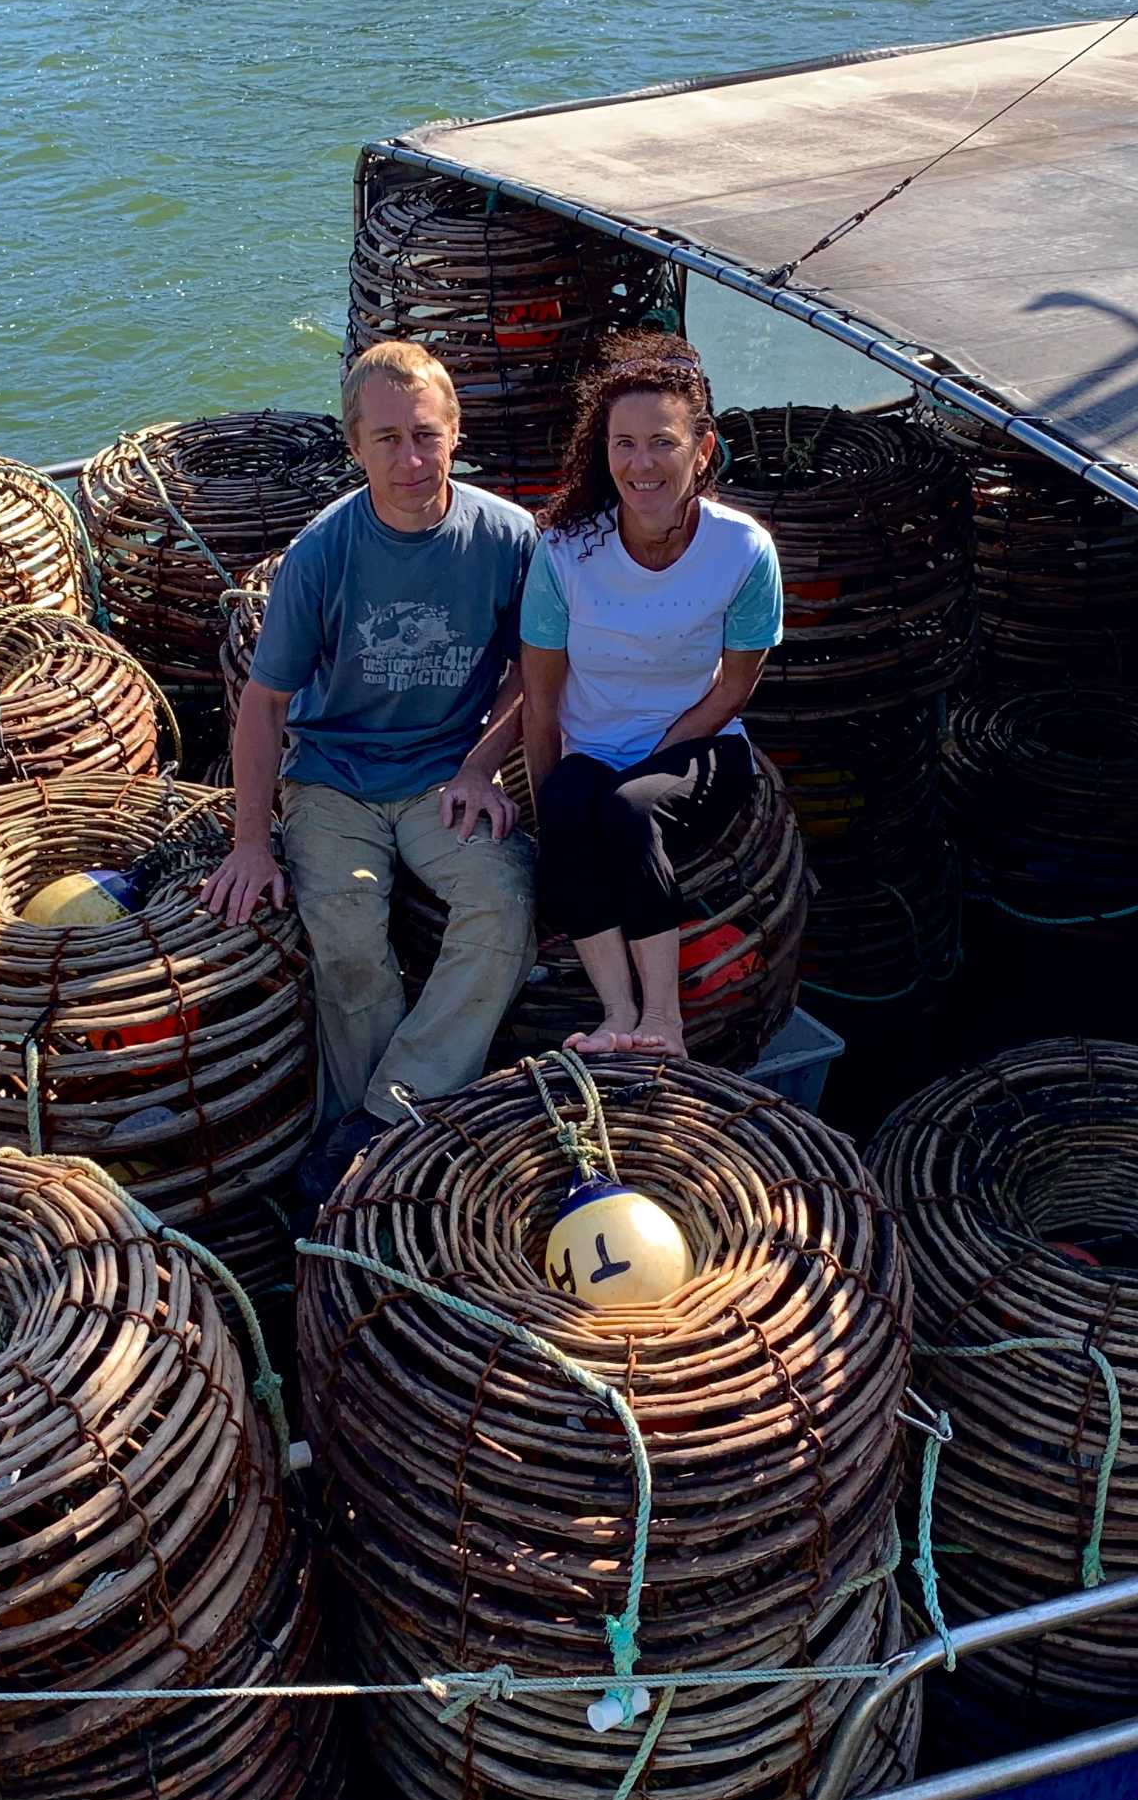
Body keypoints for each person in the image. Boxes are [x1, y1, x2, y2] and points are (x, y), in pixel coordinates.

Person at [201, 340, 536, 1193]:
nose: (411, 458)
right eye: (387, 439)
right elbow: (265, 705)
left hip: (444, 775)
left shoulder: (508, 537)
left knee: (504, 901)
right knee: (348, 933)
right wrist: (251, 843)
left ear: (456, 432)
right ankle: (374, 1148)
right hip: (332, 778)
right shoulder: (323, 551)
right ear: (354, 446)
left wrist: (484, 762)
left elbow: (537, 669)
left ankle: (381, 1122)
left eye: (426, 434)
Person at [518, 336, 781, 1060]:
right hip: (593, 751)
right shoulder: (564, 551)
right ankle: (616, 1013)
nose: (641, 465)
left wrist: (659, 755)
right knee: (575, 804)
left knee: (630, 809)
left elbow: (734, 687)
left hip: (700, 748)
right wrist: (552, 831)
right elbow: (540, 705)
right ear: (601, 452)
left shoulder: (744, 550)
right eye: (623, 444)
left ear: (702, 450)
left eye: (661, 443)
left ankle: (664, 1019)